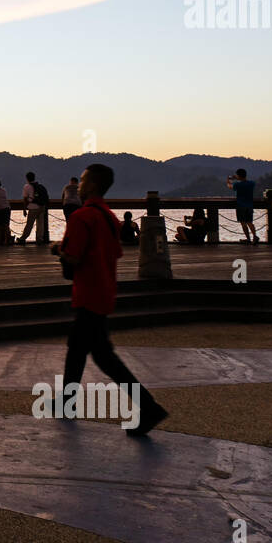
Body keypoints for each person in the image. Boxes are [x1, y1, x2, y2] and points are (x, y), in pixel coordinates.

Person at [52, 164, 167, 436]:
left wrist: (57, 249)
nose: (78, 185)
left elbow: (73, 258)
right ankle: (67, 402)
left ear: (91, 185)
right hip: (104, 291)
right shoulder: (109, 217)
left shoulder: (81, 217)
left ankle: (149, 407)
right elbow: (113, 254)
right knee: (78, 348)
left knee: (104, 358)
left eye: (81, 181)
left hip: (88, 293)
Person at [225, 168, 258, 244]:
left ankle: (248, 239)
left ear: (238, 176)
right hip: (249, 206)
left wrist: (228, 181)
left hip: (240, 206)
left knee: (243, 223)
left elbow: (230, 186)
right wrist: (238, 178)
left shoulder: (237, 184)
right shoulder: (251, 183)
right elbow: (250, 183)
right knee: (249, 222)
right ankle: (255, 236)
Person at [20, 171, 47, 244]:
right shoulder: (39, 186)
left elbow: (25, 199)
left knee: (29, 224)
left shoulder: (27, 186)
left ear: (27, 178)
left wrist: (24, 209)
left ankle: (23, 238)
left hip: (33, 207)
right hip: (41, 207)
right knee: (40, 224)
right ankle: (39, 239)